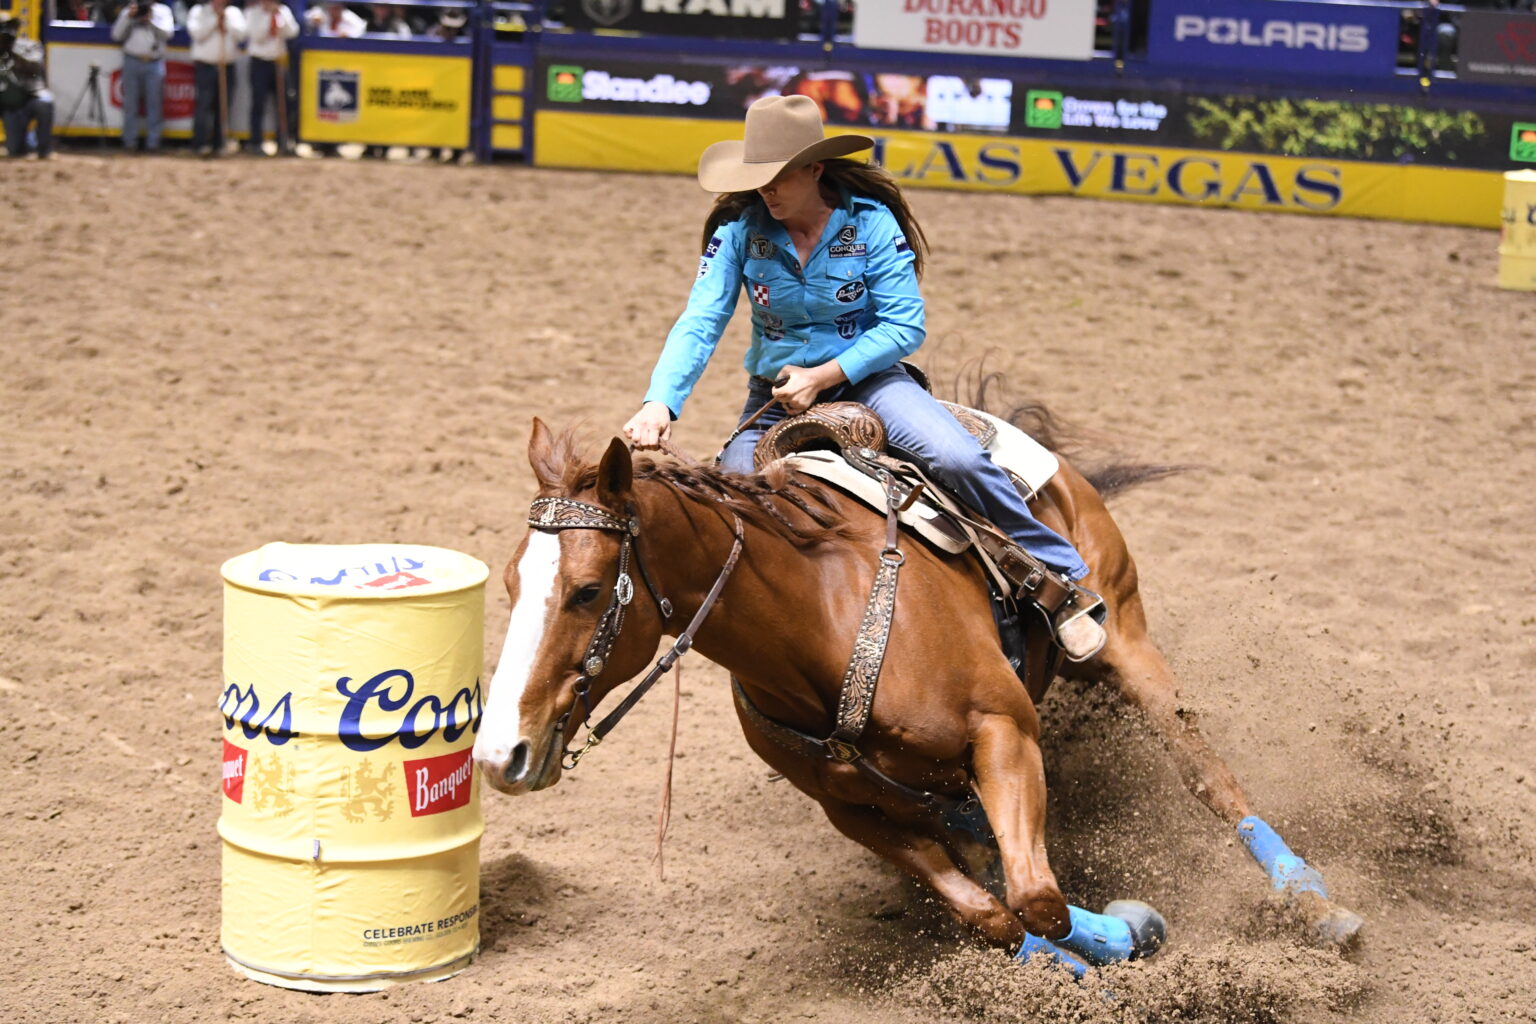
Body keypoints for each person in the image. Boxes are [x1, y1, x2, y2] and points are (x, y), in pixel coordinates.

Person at [622, 95, 1106, 660]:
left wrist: (823, 375)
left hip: (872, 383)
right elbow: (700, 321)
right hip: (776, 396)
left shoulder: (872, 225)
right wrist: (661, 402)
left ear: (814, 169)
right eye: (757, 179)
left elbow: (904, 326)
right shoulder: (736, 231)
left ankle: (1062, 583)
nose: (766, 191)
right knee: (737, 507)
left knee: (956, 458)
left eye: (776, 177)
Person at [111, 0, 174, 153]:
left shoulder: (163, 11)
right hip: (131, 60)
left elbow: (168, 34)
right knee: (130, 104)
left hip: (154, 62)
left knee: (154, 104)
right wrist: (129, 17)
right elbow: (116, 35)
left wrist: (151, 21)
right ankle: (129, 142)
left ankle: (153, 143)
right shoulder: (130, 10)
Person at [187, 0, 246, 156]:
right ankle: (200, 143)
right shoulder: (199, 11)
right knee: (204, 105)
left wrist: (225, 20)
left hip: (227, 66)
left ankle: (219, 144)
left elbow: (241, 36)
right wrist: (215, 20)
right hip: (206, 65)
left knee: (224, 106)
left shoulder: (233, 13)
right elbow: (197, 34)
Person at [245, 0, 298, 155]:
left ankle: (283, 141)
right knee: (258, 103)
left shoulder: (284, 11)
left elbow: (292, 32)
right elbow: (257, 36)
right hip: (259, 61)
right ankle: (256, 142)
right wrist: (270, 19)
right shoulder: (253, 13)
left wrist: (279, 17)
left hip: (278, 61)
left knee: (284, 103)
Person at [0, 13, 54, 160]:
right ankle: (25, 144)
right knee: (15, 151)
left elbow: (35, 66)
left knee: (44, 103)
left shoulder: (28, 46)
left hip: (29, 98)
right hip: (9, 105)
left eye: (8, 28)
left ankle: (44, 150)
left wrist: (12, 51)